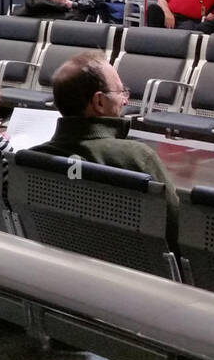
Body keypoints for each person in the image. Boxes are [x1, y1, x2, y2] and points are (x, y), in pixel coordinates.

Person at [30, 51, 178, 235]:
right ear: (99, 101)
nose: (125, 99)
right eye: (120, 92)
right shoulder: (137, 157)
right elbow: (175, 224)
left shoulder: (31, 160)